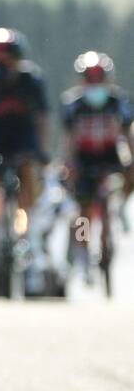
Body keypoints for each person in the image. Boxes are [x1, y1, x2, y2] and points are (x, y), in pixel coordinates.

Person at [0, 28, 49, 275]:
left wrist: (43, 152)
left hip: (24, 141)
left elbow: (42, 119)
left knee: (27, 174)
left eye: (8, 59)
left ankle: (29, 233)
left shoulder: (32, 81)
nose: (3, 65)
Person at [61, 51, 132, 252]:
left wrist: (130, 158)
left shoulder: (118, 102)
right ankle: (82, 252)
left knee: (130, 172)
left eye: (99, 79)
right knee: (84, 210)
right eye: (90, 79)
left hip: (110, 153)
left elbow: (127, 134)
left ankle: (120, 208)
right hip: (85, 157)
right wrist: (69, 163)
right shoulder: (73, 104)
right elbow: (69, 138)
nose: (95, 84)